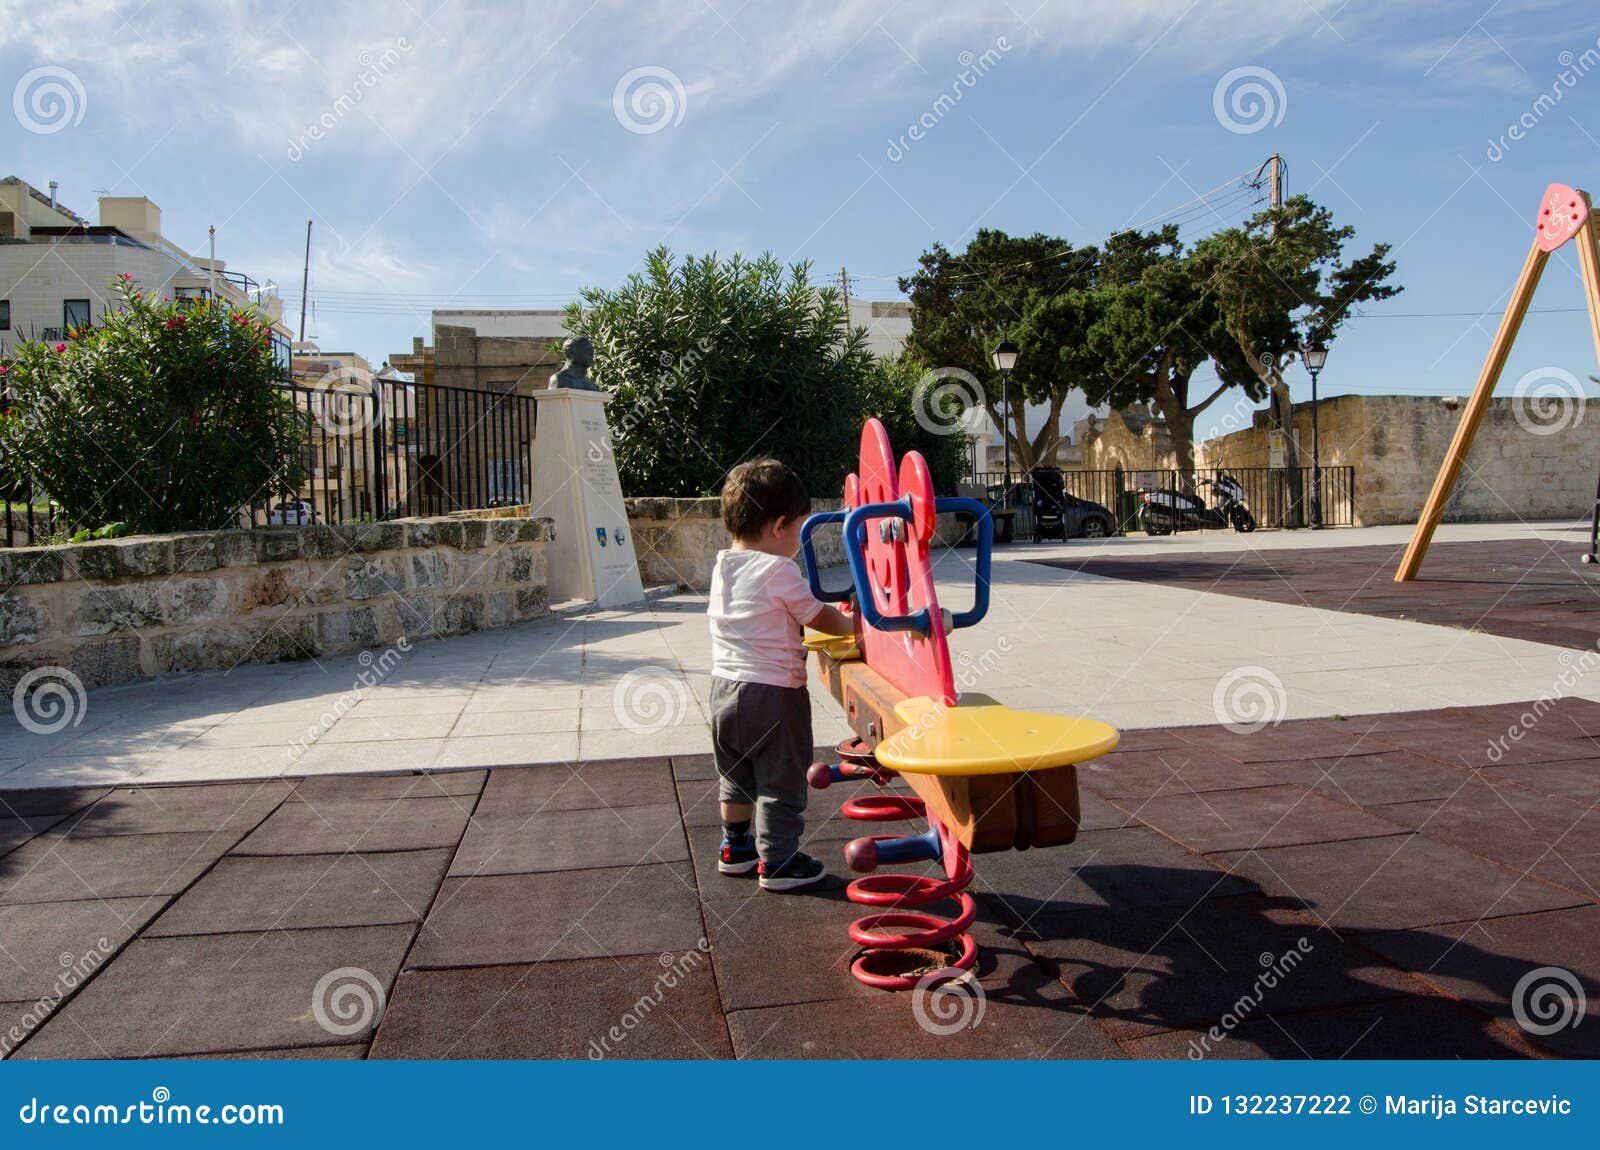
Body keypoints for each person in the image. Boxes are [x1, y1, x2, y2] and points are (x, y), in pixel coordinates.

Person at [708, 457, 853, 891]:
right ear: (778, 527)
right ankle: (780, 861)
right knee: (780, 779)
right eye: (798, 530)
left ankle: (735, 847)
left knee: (736, 774)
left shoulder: (722, 567)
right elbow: (818, 617)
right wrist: (860, 627)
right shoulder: (779, 569)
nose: (796, 541)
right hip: (772, 696)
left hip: (723, 691)